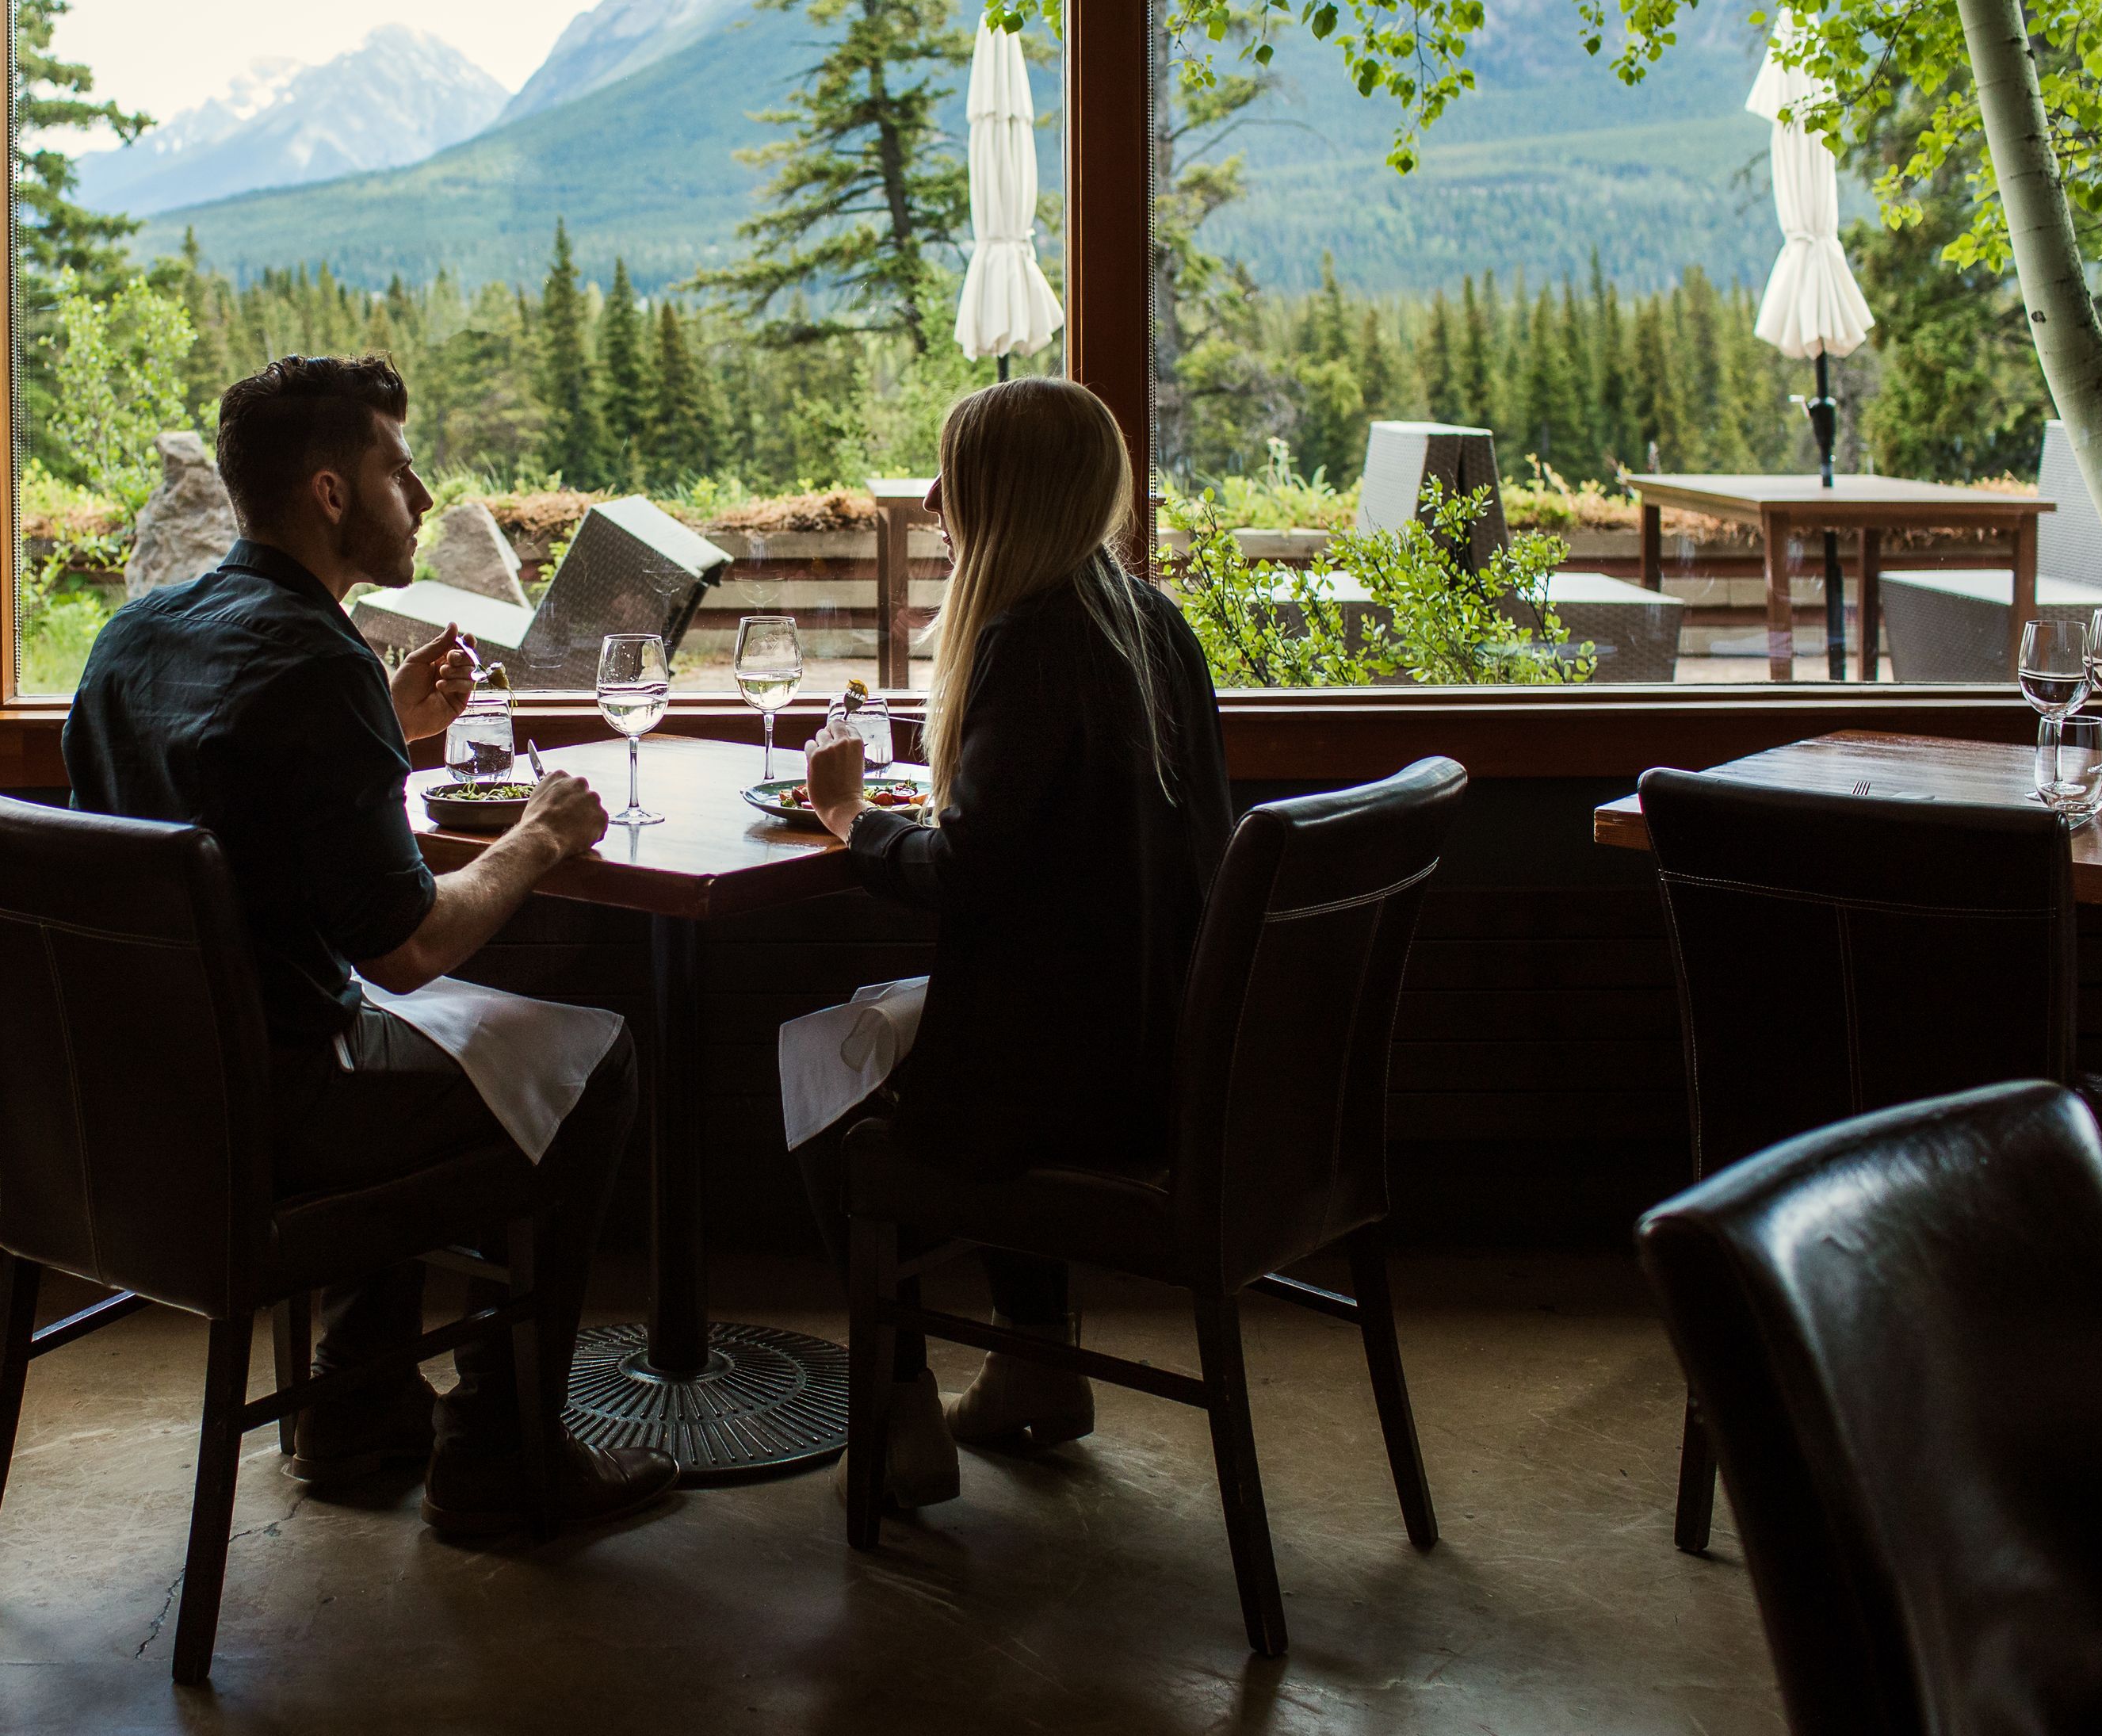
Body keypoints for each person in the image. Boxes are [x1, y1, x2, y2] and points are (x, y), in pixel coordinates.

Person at [63, 352, 675, 1539]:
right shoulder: (315, 661)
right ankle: (502, 1451)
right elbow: (406, 946)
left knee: (393, 1038)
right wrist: (543, 834)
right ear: (332, 493)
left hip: (125, 1109)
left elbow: (234, 794)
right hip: (272, 1124)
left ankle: (355, 1407)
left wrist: (384, 726)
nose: (423, 488)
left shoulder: (134, 638)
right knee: (587, 1066)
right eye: (401, 467)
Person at [789, 376, 1232, 1508]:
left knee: (815, 1070)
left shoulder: (1028, 643)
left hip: (1071, 1084)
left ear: (1001, 498)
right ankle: (1035, 1363)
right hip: (1164, 1046)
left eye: (957, 476)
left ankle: (896, 1413)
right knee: (902, 1027)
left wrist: (849, 818)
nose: (935, 496)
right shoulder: (1149, 622)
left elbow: (962, 876)